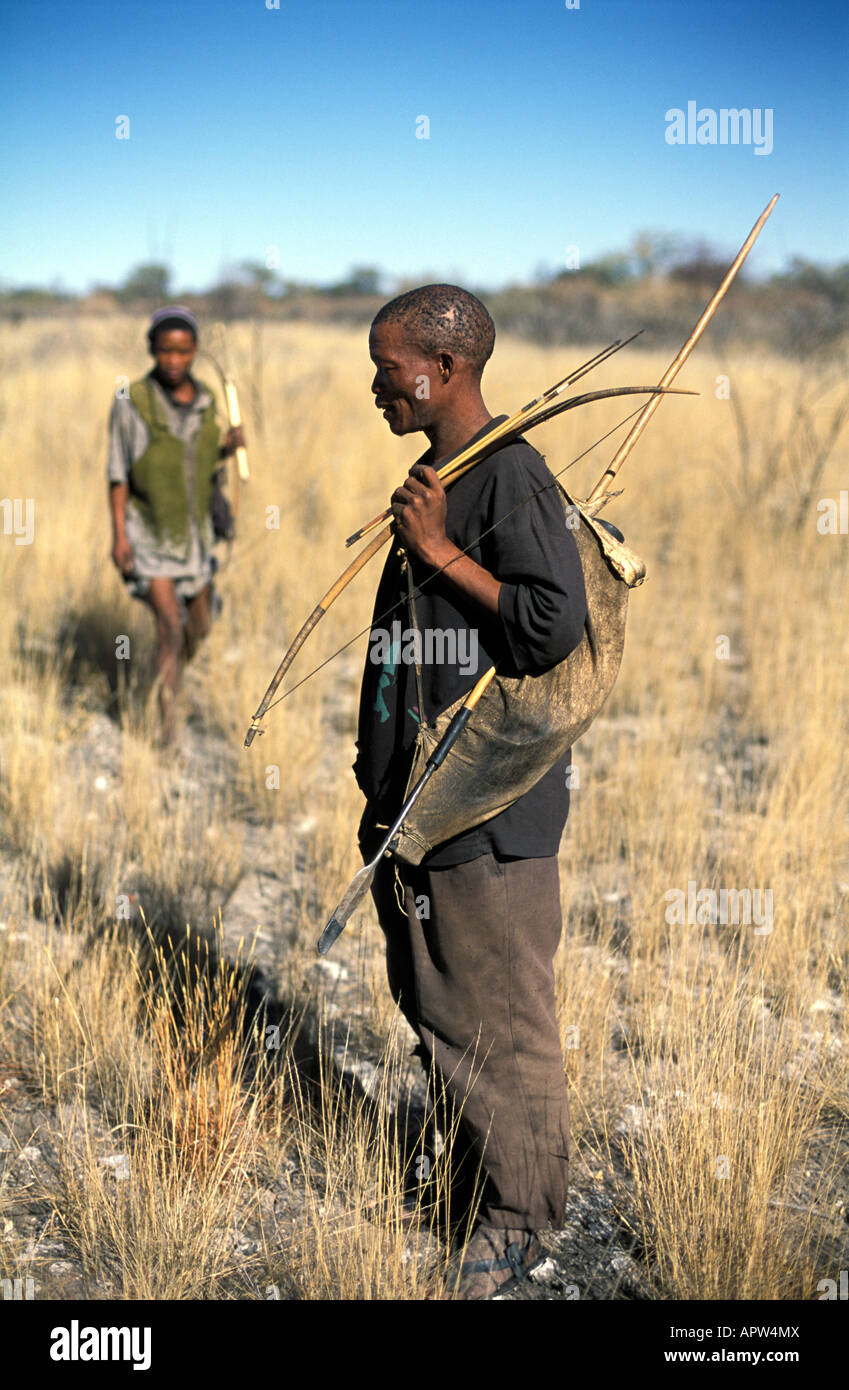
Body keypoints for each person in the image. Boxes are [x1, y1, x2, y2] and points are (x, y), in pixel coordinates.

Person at [354, 284, 588, 1299]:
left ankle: (523, 1217)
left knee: (503, 1016)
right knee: (439, 998)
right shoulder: (440, 472)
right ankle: (471, 1176)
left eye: (387, 366)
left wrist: (440, 550)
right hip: (422, 798)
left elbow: (548, 626)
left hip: (488, 807)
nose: (376, 388)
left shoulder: (512, 477)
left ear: (444, 369)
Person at [107, 306, 244, 744]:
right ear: (152, 350)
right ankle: (166, 726)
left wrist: (227, 448)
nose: (173, 360)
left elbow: (197, 462)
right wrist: (119, 536)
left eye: (182, 352)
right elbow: (118, 473)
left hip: (194, 536)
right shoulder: (132, 401)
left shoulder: (206, 400)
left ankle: (169, 672)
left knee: (199, 625)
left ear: (195, 353)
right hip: (147, 534)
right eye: (164, 351)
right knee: (169, 623)